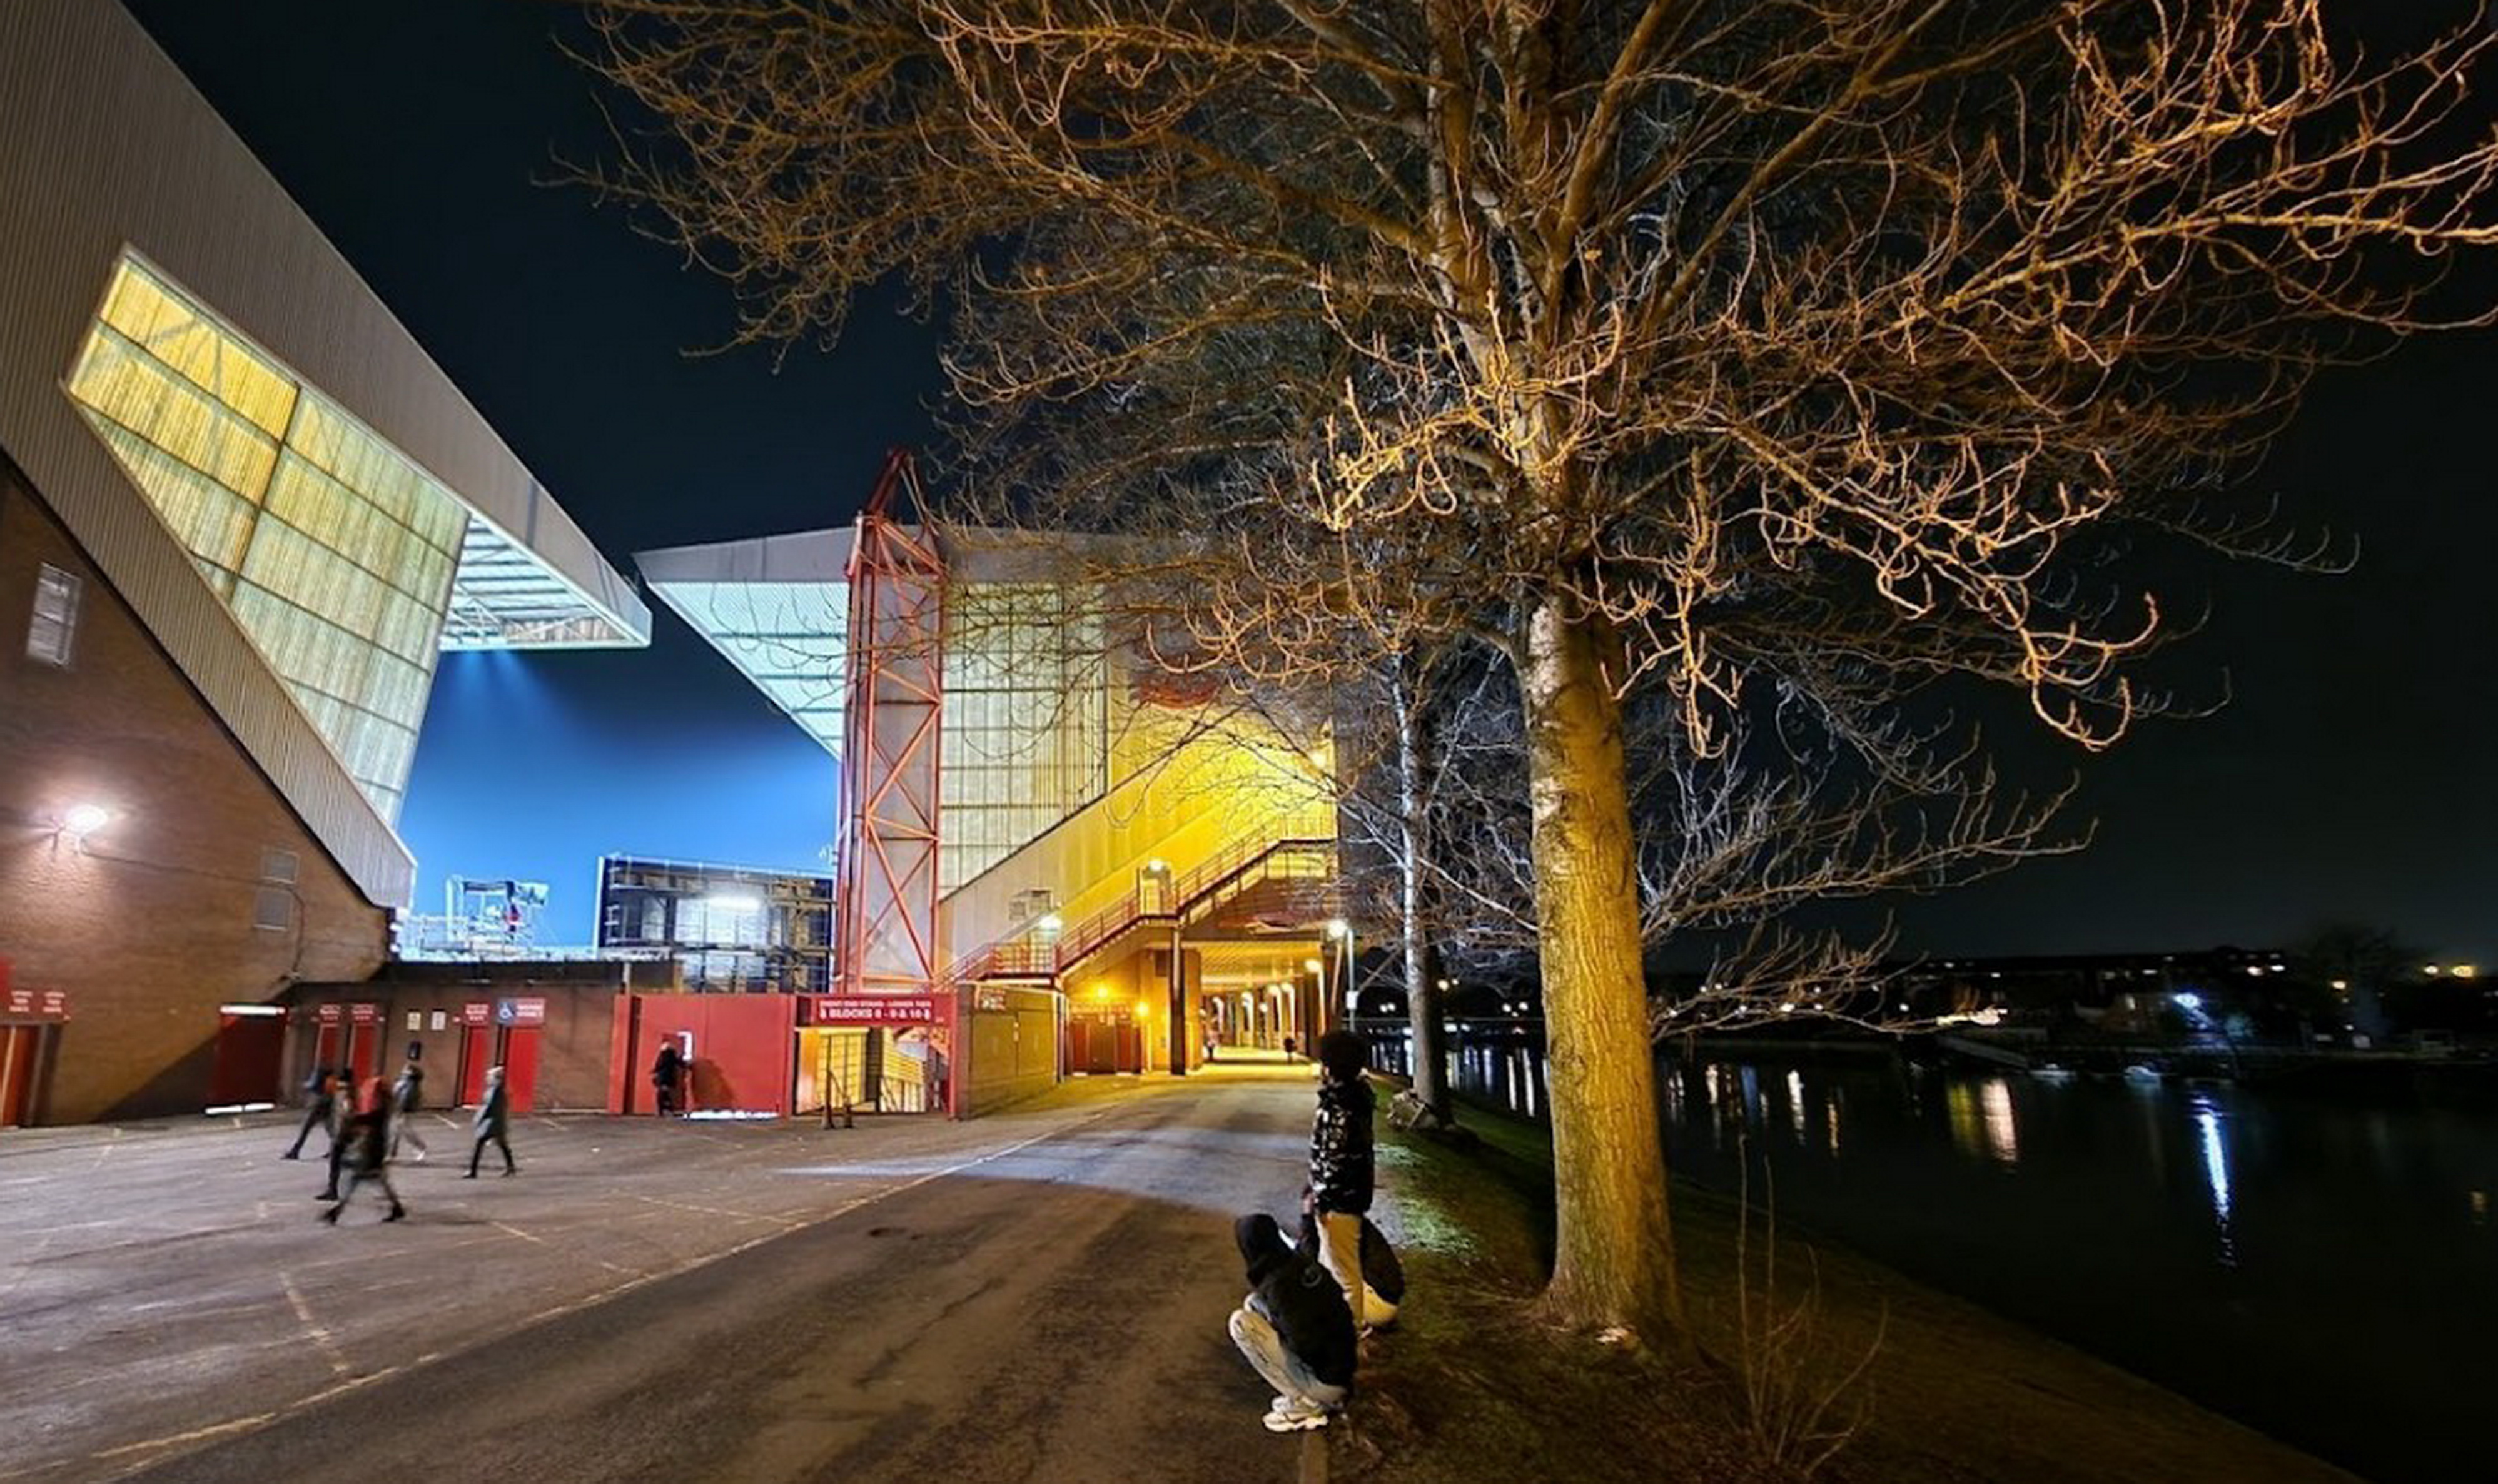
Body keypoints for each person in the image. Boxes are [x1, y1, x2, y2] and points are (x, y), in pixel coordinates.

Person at [1228, 1213, 1357, 1433]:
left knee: (1240, 1323)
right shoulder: (1299, 1261)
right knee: (1254, 1303)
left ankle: (1305, 1404)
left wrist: (1282, 1334)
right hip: (1343, 1365)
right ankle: (1310, 1392)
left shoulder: (1279, 1285)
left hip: (1327, 1382)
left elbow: (1306, 1344)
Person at [1307, 1029, 1377, 1331]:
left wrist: (1320, 1196)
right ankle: (1335, 1328)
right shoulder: (1349, 1101)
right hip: (1344, 1199)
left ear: (1331, 1067)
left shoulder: (1342, 1108)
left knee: (1343, 1272)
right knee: (1333, 1266)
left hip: (1339, 1202)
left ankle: (1351, 1335)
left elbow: (1336, 1159)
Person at [320, 1076, 404, 1224]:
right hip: (372, 1147)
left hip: (374, 1148)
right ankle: (396, 1207)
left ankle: (337, 1211)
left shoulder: (381, 1108)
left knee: (357, 1179)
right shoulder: (382, 1106)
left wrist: (351, 1119)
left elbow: (367, 1119)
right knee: (378, 1180)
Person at [465, 1064, 515, 1178]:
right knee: (503, 1145)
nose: (487, 1079)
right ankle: (511, 1167)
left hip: (491, 1123)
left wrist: (478, 1119)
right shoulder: (498, 1091)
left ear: (495, 1078)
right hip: (497, 1124)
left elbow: (488, 1108)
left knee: (479, 1144)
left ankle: (473, 1171)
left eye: (489, 1077)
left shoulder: (495, 1092)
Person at [281, 1065, 337, 1161]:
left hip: (316, 1103)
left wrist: (304, 1085)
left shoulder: (319, 1076)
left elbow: (311, 1086)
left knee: (305, 1129)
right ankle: (334, 1151)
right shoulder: (331, 1079)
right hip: (327, 1103)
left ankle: (295, 1151)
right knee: (331, 1130)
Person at [387, 1054, 428, 1163]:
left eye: (406, 1070)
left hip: (402, 1109)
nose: (403, 1071)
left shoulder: (409, 1084)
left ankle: (421, 1147)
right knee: (395, 1131)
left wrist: (399, 1106)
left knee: (404, 1131)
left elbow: (402, 1097)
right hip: (398, 1109)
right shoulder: (405, 1083)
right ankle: (391, 1154)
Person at [652, 1041, 684, 1115]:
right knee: (666, 1093)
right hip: (668, 1076)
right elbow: (679, 1063)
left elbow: (659, 1066)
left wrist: (655, 1072)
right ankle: (668, 1108)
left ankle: (662, 1109)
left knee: (662, 1093)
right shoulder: (671, 1055)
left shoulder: (662, 1056)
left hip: (662, 1077)